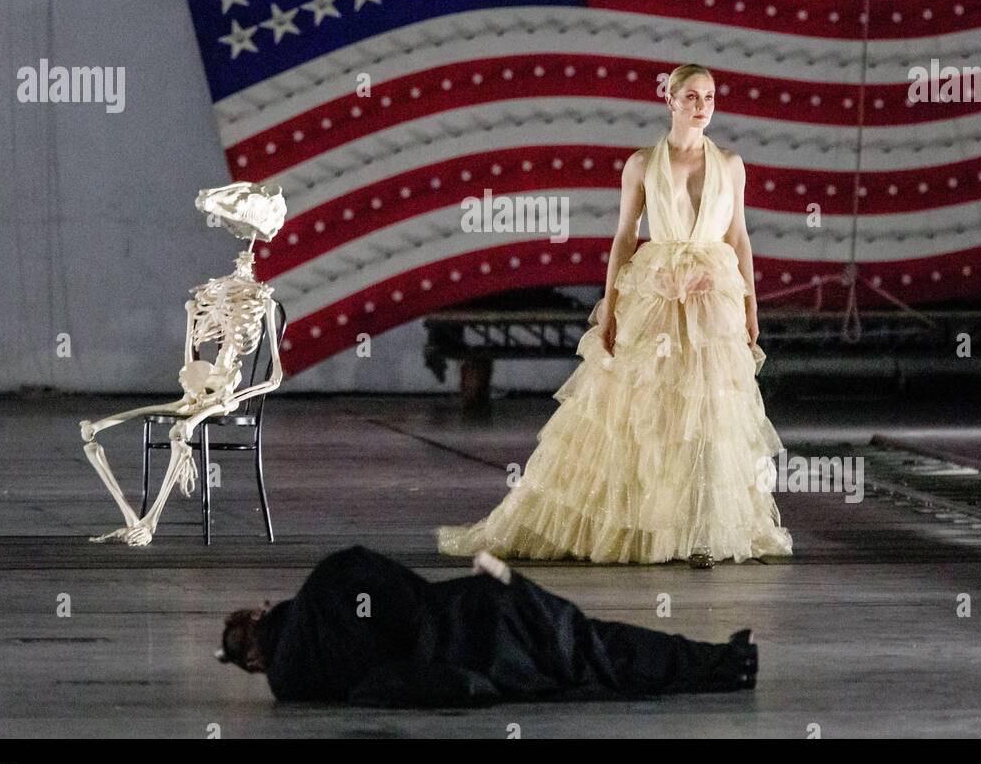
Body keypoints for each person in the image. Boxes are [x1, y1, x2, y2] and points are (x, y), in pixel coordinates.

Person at [436, 64, 793, 567]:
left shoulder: (731, 165)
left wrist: (751, 304)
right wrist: (609, 308)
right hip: (656, 290)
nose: (702, 106)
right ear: (670, 101)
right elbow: (625, 236)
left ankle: (701, 530)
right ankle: (643, 524)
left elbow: (737, 236)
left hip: (713, 295)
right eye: (691, 97)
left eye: (709, 97)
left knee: (710, 411)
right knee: (643, 409)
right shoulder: (643, 164)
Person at [217, 545, 757, 707]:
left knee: (595, 661)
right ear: (262, 612)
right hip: (481, 611)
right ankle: (726, 663)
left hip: (476, 666)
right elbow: (403, 589)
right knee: (599, 644)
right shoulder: (330, 578)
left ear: (253, 663)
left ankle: (724, 665)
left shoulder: (291, 682)